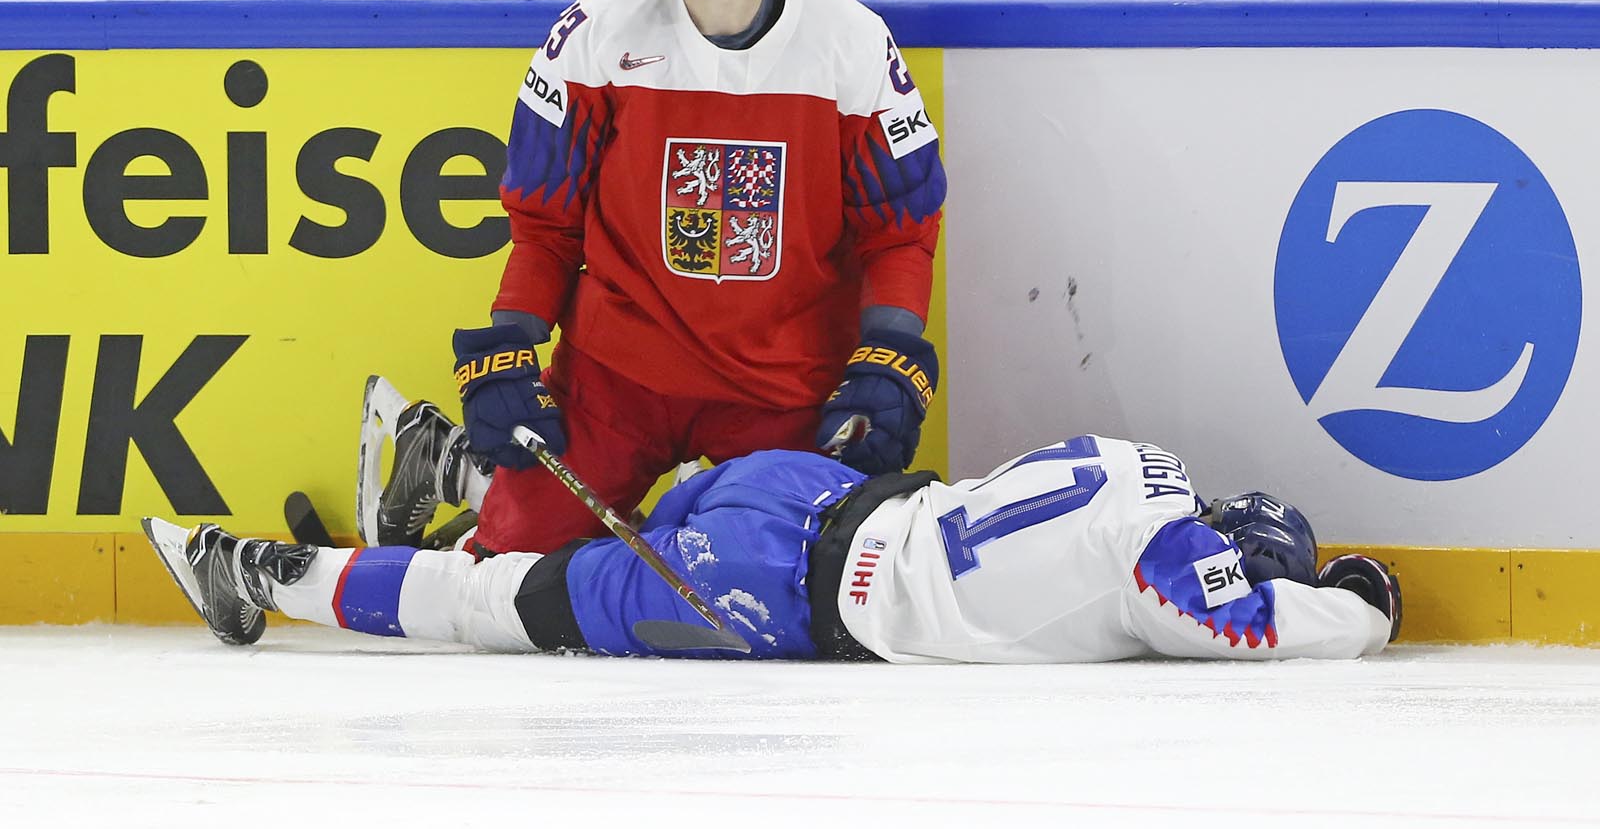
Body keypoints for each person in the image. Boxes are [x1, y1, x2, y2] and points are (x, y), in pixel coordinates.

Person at [363, 0, 948, 558]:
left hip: (782, 383)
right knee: (514, 567)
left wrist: (888, 354)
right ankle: (476, 479)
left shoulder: (850, 41)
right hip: (621, 377)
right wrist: (508, 343)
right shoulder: (597, 30)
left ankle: (456, 467)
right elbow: (546, 229)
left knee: (798, 577)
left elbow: (900, 232)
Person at [148, 433, 1401, 664]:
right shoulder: (1166, 562)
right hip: (776, 595)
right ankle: (262, 575)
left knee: (598, 511)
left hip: (801, 485)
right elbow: (1249, 623)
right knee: (499, 606)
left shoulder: (1131, 457)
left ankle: (453, 462)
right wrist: (1363, 602)